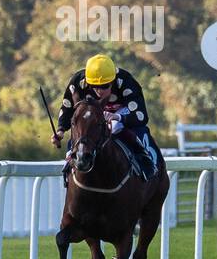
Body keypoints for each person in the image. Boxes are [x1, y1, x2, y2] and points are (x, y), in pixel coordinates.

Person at [54, 53, 159, 181]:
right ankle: (69, 163)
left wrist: (118, 117)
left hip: (120, 111)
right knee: (81, 130)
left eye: (105, 86)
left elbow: (141, 114)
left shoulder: (125, 80)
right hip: (93, 113)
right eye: (94, 86)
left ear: (113, 80)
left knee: (114, 126)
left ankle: (144, 160)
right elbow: (68, 107)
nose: (99, 91)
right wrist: (60, 130)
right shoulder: (78, 82)